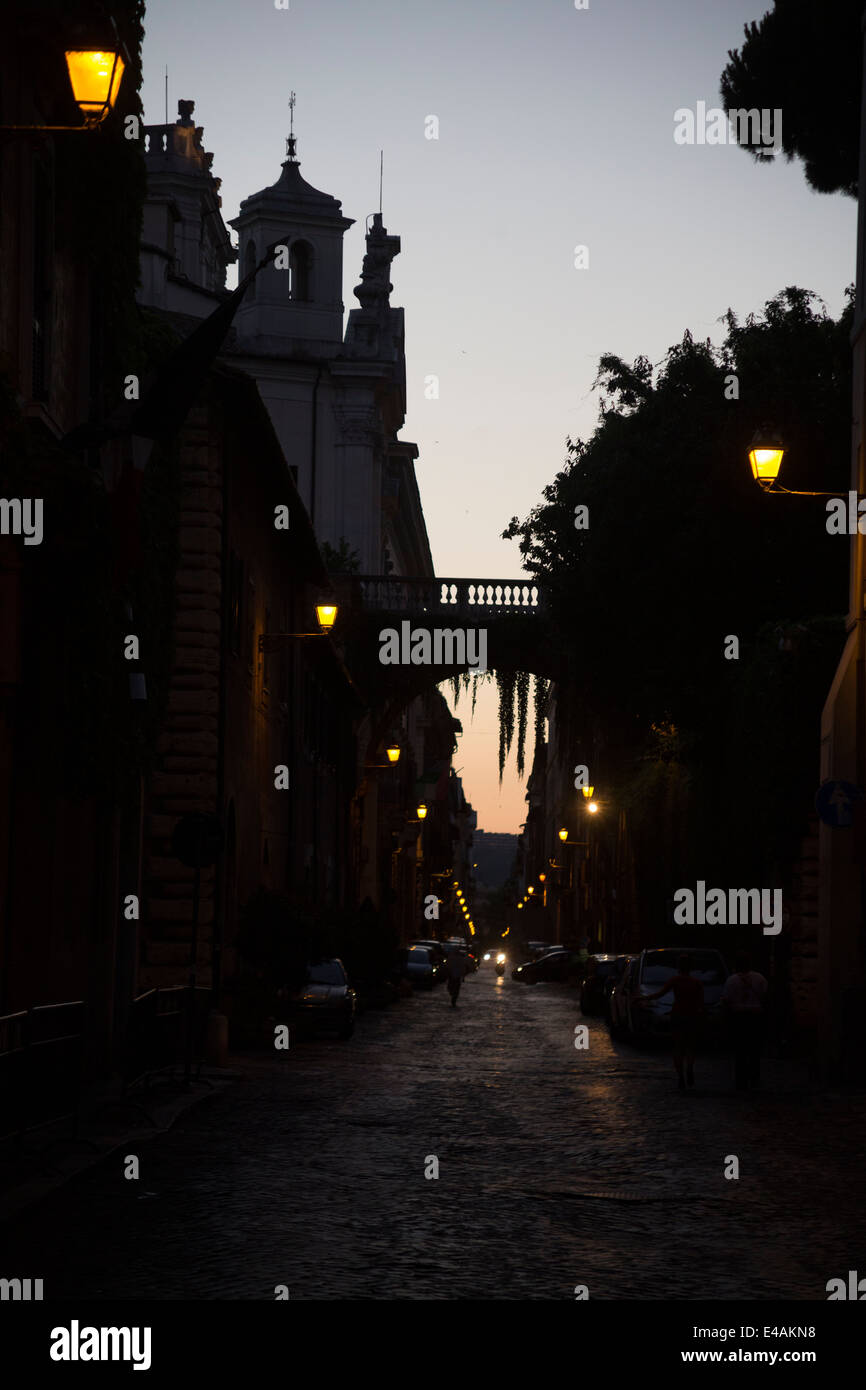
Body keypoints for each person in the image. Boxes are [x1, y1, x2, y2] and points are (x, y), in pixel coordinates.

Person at [640, 953, 704, 1091]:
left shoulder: (675, 980)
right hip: (692, 1016)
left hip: (677, 1015)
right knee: (690, 1046)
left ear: (679, 967)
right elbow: (701, 1003)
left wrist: (646, 998)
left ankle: (680, 1076)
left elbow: (660, 993)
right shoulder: (696, 983)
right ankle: (690, 1068)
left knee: (678, 1047)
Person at [722, 951, 768, 1090]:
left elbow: (727, 1000)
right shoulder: (760, 978)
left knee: (740, 1050)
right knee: (754, 1050)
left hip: (739, 1017)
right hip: (755, 1016)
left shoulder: (731, 980)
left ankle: (740, 1080)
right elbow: (765, 996)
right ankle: (754, 1078)